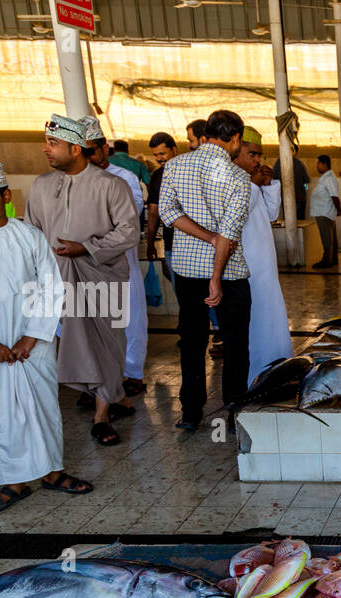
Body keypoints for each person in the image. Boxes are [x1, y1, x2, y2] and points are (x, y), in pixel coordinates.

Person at [0, 159, 93, 515]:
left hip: (32, 343)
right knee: (0, 410)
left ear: (6, 196)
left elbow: (51, 288)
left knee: (42, 406)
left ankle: (53, 472)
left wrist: (32, 335)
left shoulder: (29, 236)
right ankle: (13, 482)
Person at [25, 114, 139, 447]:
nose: (46, 149)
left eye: (53, 143)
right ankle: (117, 397)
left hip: (104, 276)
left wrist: (87, 247)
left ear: (76, 149)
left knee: (109, 342)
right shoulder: (41, 185)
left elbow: (129, 231)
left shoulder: (110, 185)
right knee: (79, 341)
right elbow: (32, 232)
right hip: (59, 278)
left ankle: (101, 416)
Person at [159, 110, 254, 430]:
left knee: (192, 339)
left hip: (185, 269)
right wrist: (216, 278)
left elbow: (169, 214)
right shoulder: (239, 177)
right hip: (228, 274)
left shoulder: (174, 166)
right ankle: (233, 411)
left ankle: (190, 412)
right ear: (236, 139)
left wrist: (204, 236)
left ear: (205, 134)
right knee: (235, 343)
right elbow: (228, 234)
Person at [84, 117, 150, 397]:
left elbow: (127, 218)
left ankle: (132, 373)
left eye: (93, 150)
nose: (89, 157)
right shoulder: (72, 182)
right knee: (93, 323)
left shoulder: (125, 178)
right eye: (82, 151)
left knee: (131, 319)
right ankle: (98, 383)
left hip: (122, 261)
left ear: (105, 150)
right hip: (87, 265)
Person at [234, 126, 293, 384]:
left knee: (271, 316)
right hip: (246, 265)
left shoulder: (250, 179)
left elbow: (271, 215)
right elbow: (235, 218)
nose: (258, 160)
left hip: (264, 264)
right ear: (236, 150)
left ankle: (277, 366)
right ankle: (255, 375)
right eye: (253, 154)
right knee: (254, 322)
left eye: (260, 155)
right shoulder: (230, 179)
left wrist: (267, 186)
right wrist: (253, 186)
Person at [145, 132, 178, 284]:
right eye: (155, 155)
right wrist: (150, 243)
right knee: (180, 292)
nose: (159, 158)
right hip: (171, 243)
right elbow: (153, 213)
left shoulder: (189, 171)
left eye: (162, 153)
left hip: (199, 243)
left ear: (174, 149)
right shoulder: (157, 176)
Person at [310, 154, 341, 270]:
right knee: (331, 237)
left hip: (324, 211)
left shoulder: (329, 178)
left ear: (324, 164)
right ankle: (333, 259)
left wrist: (338, 209)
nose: (317, 166)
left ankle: (327, 261)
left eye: (318, 164)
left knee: (327, 238)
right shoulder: (326, 177)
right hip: (323, 211)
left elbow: (334, 196)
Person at [271, 146, 310, 224]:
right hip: (300, 198)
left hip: (286, 198)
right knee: (300, 221)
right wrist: (304, 191)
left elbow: (273, 179)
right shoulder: (299, 164)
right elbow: (306, 181)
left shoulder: (279, 163)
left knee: (288, 220)